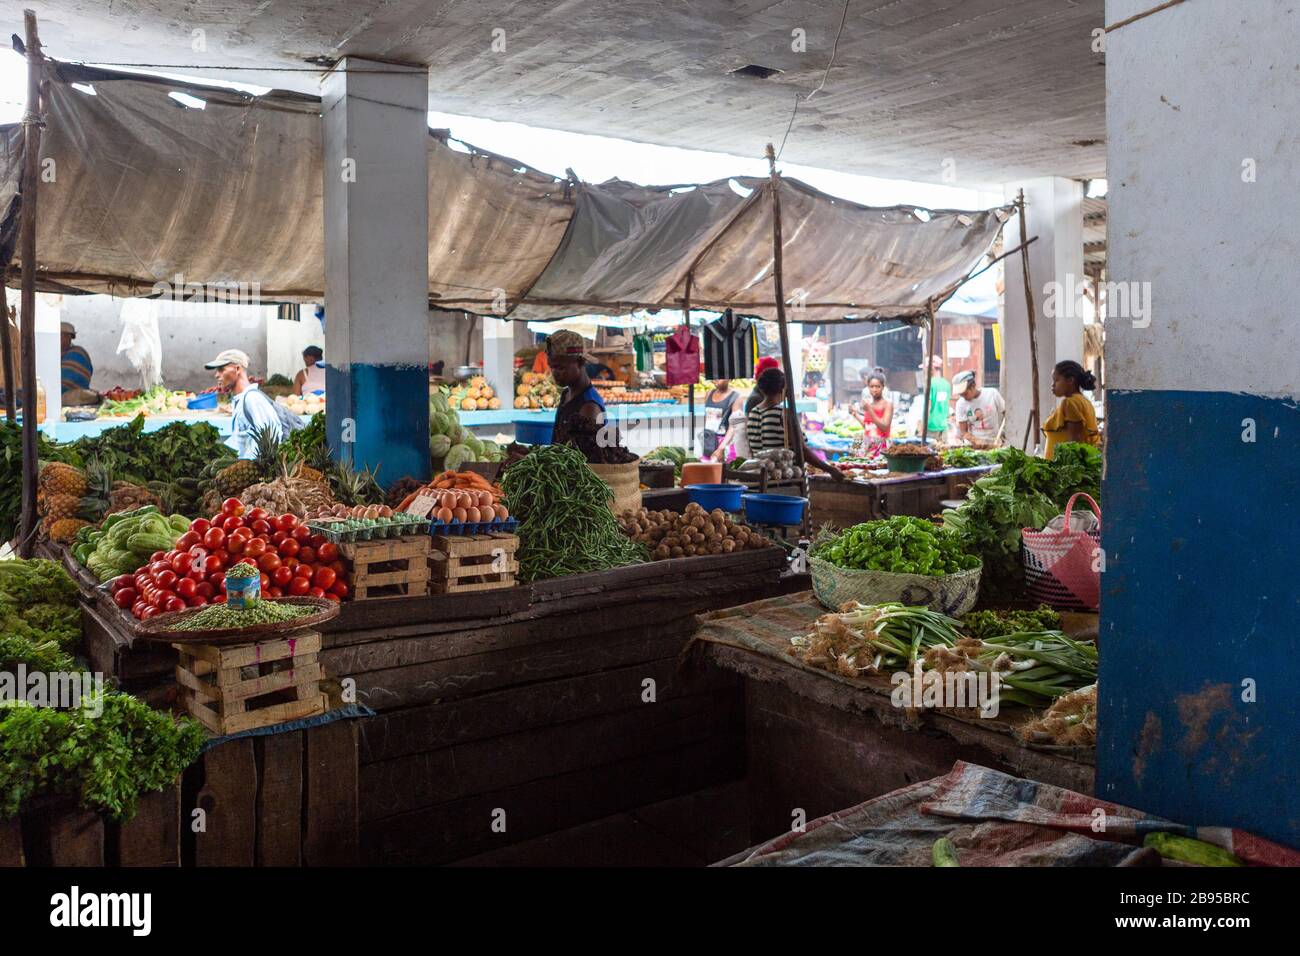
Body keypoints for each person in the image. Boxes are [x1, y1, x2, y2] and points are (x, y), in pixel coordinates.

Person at [747, 368, 844, 480]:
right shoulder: (783, 414)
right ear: (783, 388)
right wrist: (830, 469)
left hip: (760, 476)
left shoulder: (753, 413)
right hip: (782, 479)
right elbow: (802, 450)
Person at [205, 348, 288, 459]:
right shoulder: (241, 399)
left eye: (221, 369)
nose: (216, 375)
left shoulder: (252, 399)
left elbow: (272, 439)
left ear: (237, 369)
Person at [547, 330, 608, 460]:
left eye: (561, 367)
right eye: (552, 367)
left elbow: (579, 460)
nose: (555, 373)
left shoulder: (589, 407)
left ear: (580, 363)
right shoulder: (566, 394)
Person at [1042, 360, 1101, 459]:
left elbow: (1074, 443)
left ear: (1070, 381)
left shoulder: (1070, 403)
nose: (1053, 385)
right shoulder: (1085, 402)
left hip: (1065, 469)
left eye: (1056, 380)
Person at [952, 370, 1006, 447]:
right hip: (973, 447)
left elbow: (1007, 415)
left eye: (965, 394)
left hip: (994, 442)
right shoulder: (961, 404)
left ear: (973, 386)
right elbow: (963, 432)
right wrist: (977, 441)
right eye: (961, 395)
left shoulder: (992, 394)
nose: (963, 397)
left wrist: (1004, 432)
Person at [849, 371, 892, 457]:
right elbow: (867, 426)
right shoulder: (869, 404)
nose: (874, 389)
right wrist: (855, 414)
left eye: (878, 386)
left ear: (883, 387)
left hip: (880, 445)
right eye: (872, 386)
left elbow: (885, 427)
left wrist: (869, 410)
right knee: (858, 465)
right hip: (867, 443)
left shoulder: (887, 404)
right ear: (868, 387)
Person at [701, 379, 741, 460]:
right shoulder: (708, 394)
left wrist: (721, 448)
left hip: (725, 444)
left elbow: (733, 426)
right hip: (709, 442)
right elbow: (706, 419)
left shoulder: (736, 397)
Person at [60, 322, 98, 405]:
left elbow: (68, 380)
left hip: (74, 397)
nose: (64, 339)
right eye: (61, 335)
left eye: (67, 336)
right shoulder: (50, 354)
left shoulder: (77, 353)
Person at [921, 355, 951, 439]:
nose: (924, 371)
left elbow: (928, 406)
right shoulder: (946, 384)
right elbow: (947, 405)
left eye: (925, 368)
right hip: (943, 426)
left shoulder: (930, 384)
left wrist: (922, 427)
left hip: (931, 427)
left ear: (931, 368)